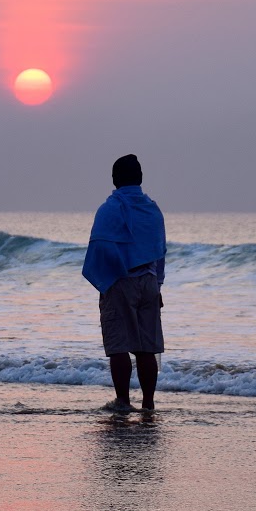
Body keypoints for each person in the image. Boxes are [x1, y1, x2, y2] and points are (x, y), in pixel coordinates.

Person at [82, 154, 167, 414]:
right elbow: (160, 251)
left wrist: (108, 280)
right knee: (146, 348)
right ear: (140, 178)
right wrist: (158, 286)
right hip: (150, 281)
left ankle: (123, 402)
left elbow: (100, 247)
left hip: (121, 280)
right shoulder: (152, 209)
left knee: (118, 345)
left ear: (115, 179)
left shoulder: (110, 208)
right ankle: (148, 405)